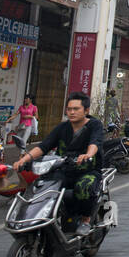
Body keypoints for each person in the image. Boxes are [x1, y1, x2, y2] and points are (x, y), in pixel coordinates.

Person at [15, 92, 104, 236]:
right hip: (64, 169)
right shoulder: (62, 128)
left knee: (84, 186)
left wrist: (88, 155)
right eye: (69, 109)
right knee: (42, 186)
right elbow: (44, 146)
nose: (72, 112)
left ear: (86, 110)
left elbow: (95, 143)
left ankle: (85, 220)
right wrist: (24, 159)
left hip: (88, 171)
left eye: (76, 109)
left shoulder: (95, 125)